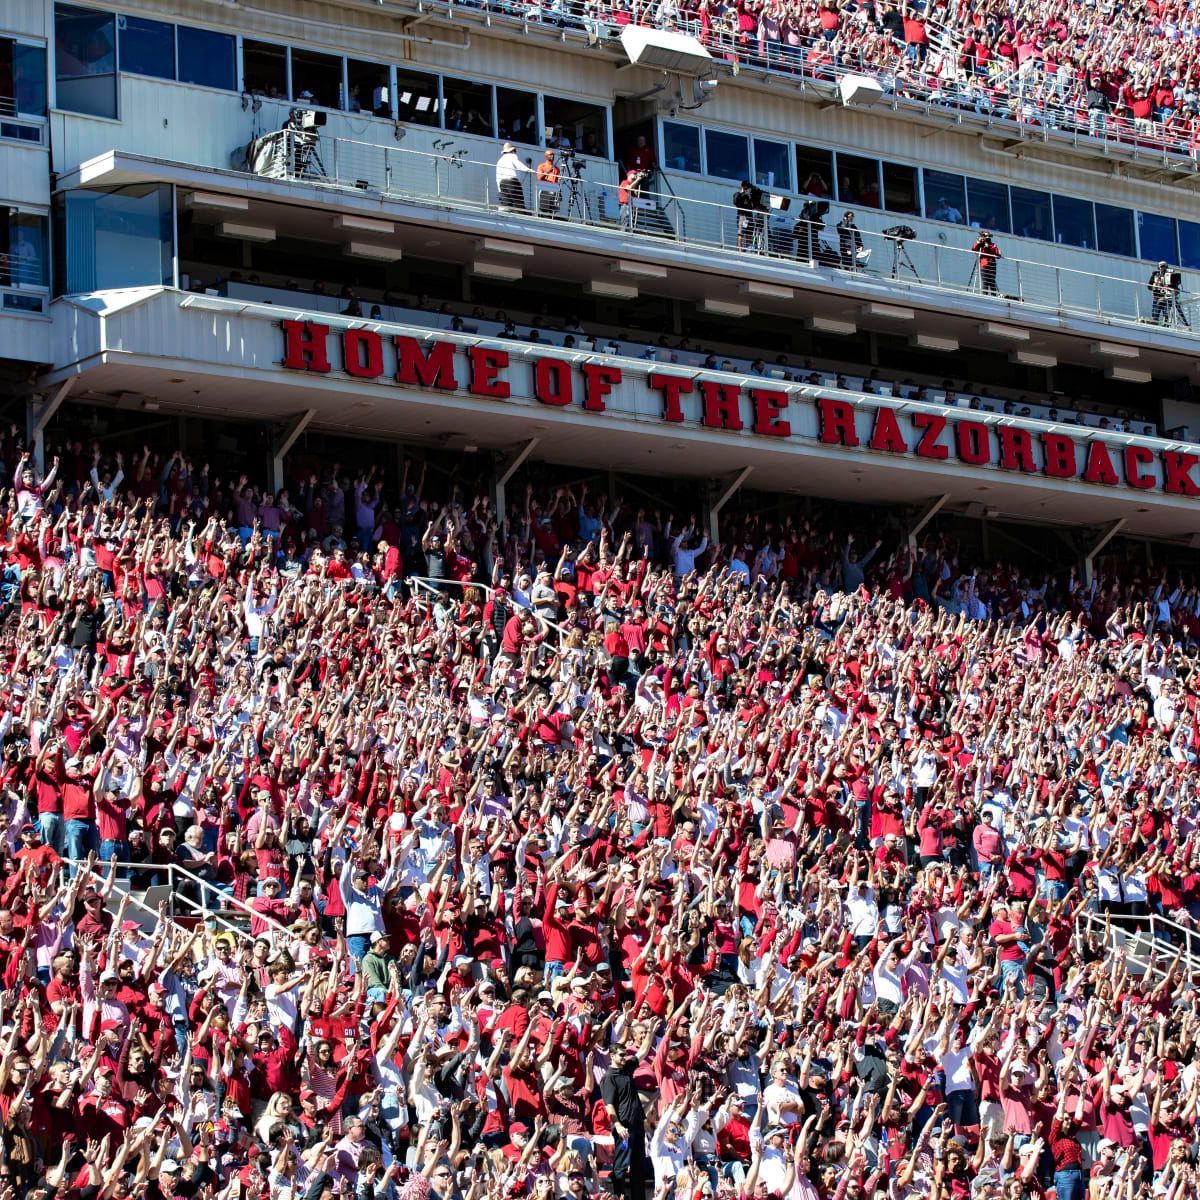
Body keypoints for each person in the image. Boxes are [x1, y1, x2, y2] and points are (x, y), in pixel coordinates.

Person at [1149, 260, 1189, 327]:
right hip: (1157, 297)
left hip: (1167, 297)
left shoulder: (1170, 275)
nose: (1163, 268)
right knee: (1156, 313)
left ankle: (1166, 325)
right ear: (1159, 267)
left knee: (1166, 313)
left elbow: (1174, 285)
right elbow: (1149, 286)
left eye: (1164, 266)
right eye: (1161, 266)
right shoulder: (1155, 275)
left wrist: (1172, 288)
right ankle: (1155, 325)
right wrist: (1155, 286)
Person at [495, 141, 532, 211]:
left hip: (502, 184)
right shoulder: (512, 156)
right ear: (512, 150)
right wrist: (528, 170)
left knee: (507, 204)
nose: (515, 152)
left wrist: (499, 190)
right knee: (519, 204)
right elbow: (518, 165)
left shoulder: (500, 161)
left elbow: (497, 177)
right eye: (515, 150)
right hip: (512, 182)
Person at [733, 180, 765, 251]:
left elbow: (754, 206)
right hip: (742, 216)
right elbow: (736, 202)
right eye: (746, 187)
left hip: (749, 217)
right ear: (742, 187)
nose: (747, 189)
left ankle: (748, 250)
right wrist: (744, 193)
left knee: (749, 234)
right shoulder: (738, 194)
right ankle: (740, 250)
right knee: (741, 234)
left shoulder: (749, 197)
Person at [973, 229, 1001, 294]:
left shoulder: (993, 245)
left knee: (992, 282)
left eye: (988, 236)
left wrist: (988, 247)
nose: (987, 237)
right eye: (985, 236)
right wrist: (978, 242)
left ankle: (994, 297)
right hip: (984, 265)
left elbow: (997, 253)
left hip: (992, 265)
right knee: (985, 282)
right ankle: (985, 296)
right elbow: (974, 249)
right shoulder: (980, 244)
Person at [535, 149, 560, 217]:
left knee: (552, 212)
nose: (552, 156)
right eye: (550, 155)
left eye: (553, 155)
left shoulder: (557, 169)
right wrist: (547, 172)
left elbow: (556, 181)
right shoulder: (541, 166)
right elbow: (539, 178)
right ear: (546, 156)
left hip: (554, 191)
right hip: (544, 190)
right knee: (544, 211)